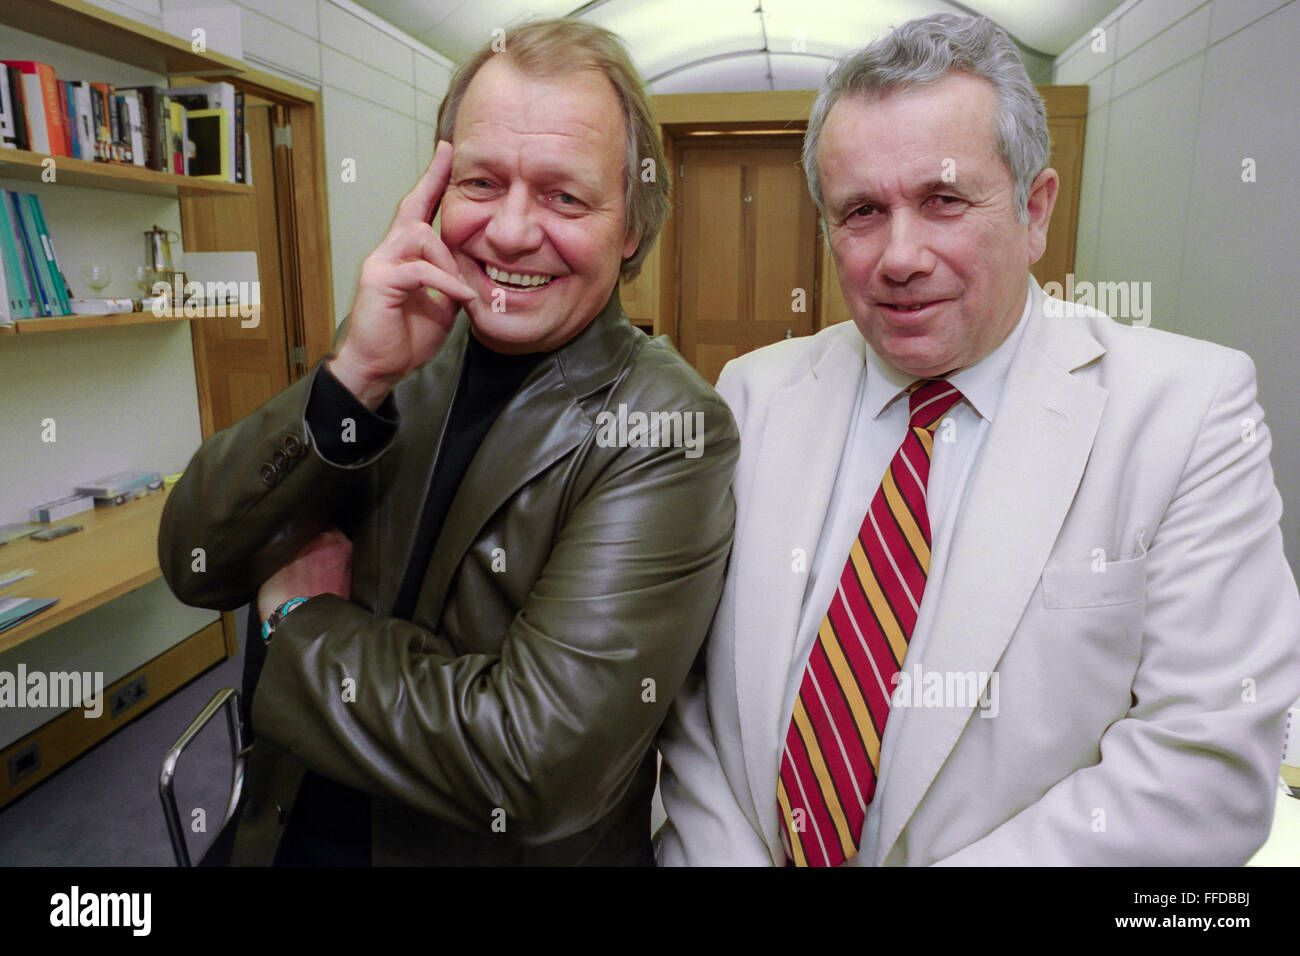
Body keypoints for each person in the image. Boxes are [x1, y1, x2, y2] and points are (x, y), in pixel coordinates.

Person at [656, 12, 1300, 866]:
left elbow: (1204, 766)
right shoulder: (753, 393)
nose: (900, 255)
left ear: (1035, 211)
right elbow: (697, 707)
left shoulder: (1187, 413)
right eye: (861, 211)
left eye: (944, 200)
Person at [158, 18, 738, 866]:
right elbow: (196, 564)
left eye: (563, 196)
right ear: (435, 191)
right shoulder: (400, 343)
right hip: (284, 827)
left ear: (632, 229)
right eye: (480, 182)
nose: (508, 231)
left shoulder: (668, 428)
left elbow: (533, 764)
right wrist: (350, 377)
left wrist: (298, 620)